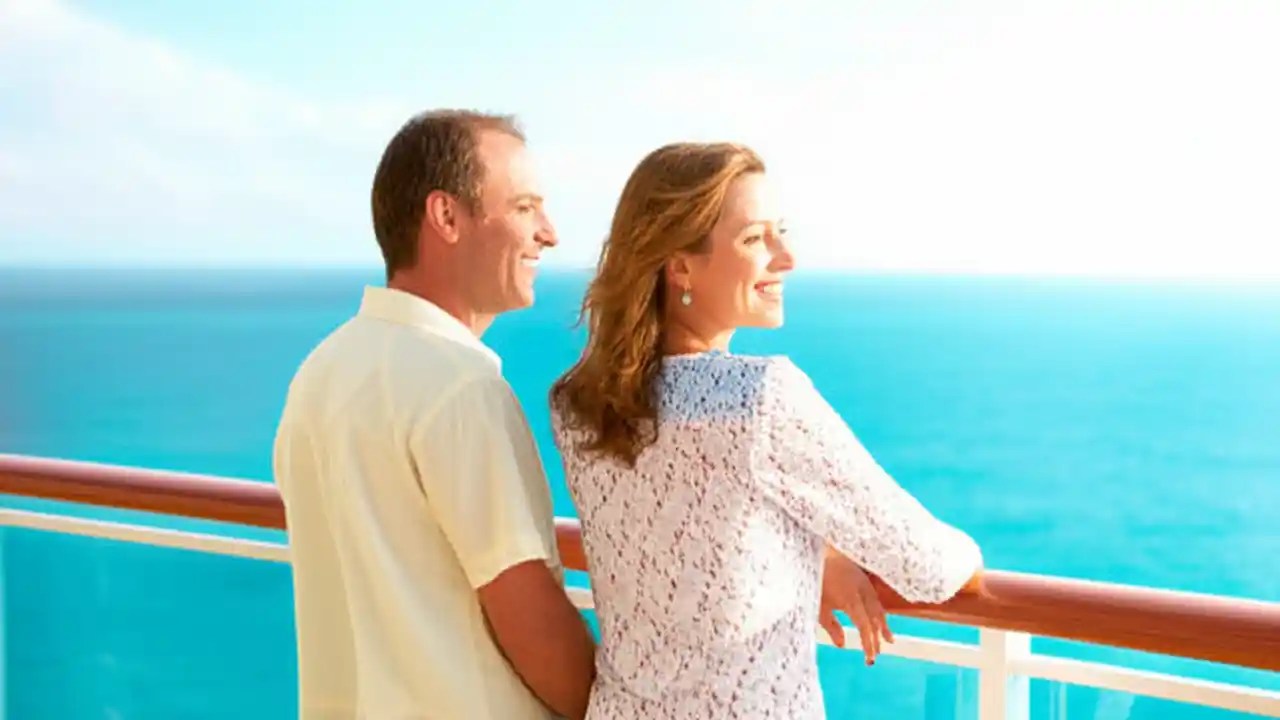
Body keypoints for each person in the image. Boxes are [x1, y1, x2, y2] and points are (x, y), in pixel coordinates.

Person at [549, 141, 984, 718]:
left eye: (781, 232)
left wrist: (815, 552)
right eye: (755, 239)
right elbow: (926, 565)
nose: (787, 257)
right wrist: (974, 556)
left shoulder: (578, 404)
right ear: (679, 265)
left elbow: (694, 535)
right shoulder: (762, 400)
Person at [273, 109, 596, 720]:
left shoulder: (321, 372)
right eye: (525, 207)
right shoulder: (460, 385)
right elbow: (530, 623)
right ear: (446, 216)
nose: (549, 233)